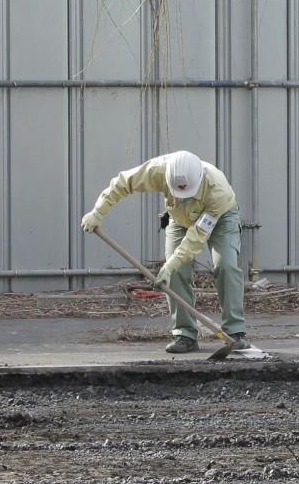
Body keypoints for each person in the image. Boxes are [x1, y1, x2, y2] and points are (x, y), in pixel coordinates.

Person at [80, 151, 250, 354]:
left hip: (221, 218)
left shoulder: (217, 191)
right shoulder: (158, 171)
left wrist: (168, 266)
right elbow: (122, 182)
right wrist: (98, 211)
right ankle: (185, 334)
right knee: (176, 273)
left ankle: (235, 331)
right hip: (178, 218)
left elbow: (196, 239)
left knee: (226, 265)